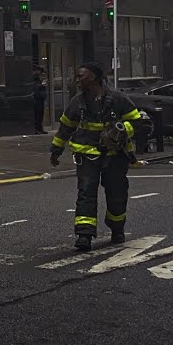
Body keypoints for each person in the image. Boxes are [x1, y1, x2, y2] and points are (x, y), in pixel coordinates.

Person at [49, 62, 143, 252]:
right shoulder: (77, 102)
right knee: (86, 194)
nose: (77, 79)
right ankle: (84, 235)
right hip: (87, 155)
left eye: (81, 76)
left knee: (117, 193)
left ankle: (117, 229)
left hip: (116, 156)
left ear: (94, 77)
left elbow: (138, 123)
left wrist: (122, 130)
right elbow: (66, 127)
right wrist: (56, 150)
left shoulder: (119, 100)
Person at [32, 65, 48, 134]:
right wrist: (41, 85)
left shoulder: (38, 79)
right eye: (39, 71)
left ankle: (40, 128)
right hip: (36, 99)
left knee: (40, 115)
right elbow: (35, 88)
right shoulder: (34, 79)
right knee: (37, 115)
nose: (40, 73)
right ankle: (36, 129)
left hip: (40, 99)